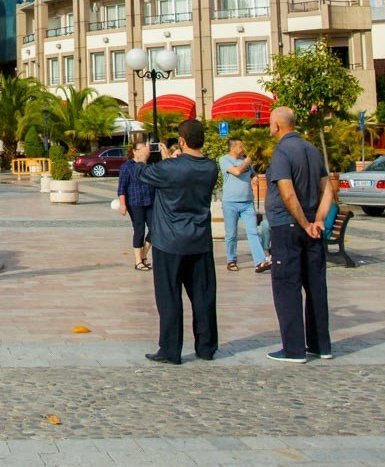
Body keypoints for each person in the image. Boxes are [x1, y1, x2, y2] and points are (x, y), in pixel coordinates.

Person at [135, 119, 219, 366]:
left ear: (181, 141)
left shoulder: (171, 168)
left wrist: (145, 159)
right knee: (203, 296)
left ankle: (170, 349)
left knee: (169, 296)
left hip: (169, 241)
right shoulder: (211, 167)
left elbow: (143, 174)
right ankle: (206, 347)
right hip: (200, 239)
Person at [264, 106, 335, 364]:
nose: (269, 128)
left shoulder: (282, 151)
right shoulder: (312, 149)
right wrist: (318, 220)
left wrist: (305, 222)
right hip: (312, 230)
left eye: (270, 123)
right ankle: (321, 345)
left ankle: (293, 349)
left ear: (278, 126)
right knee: (316, 286)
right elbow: (328, 189)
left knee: (287, 286)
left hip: (289, 228)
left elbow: (287, 192)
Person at [219, 138, 270, 274]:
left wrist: (254, 178)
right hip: (230, 202)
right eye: (240, 147)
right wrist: (246, 163)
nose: (243, 149)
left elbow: (252, 173)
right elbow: (236, 172)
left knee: (253, 232)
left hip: (247, 202)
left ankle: (260, 261)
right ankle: (231, 260)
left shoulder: (245, 159)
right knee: (231, 234)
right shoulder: (224, 160)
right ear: (232, 148)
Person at [116, 143, 154, 271]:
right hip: (135, 202)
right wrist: (122, 204)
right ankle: (138, 261)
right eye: (142, 150)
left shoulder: (148, 165)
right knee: (139, 230)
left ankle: (143, 255)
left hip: (150, 201)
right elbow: (122, 188)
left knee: (155, 229)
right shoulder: (126, 167)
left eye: (146, 150)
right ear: (135, 151)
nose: (145, 153)